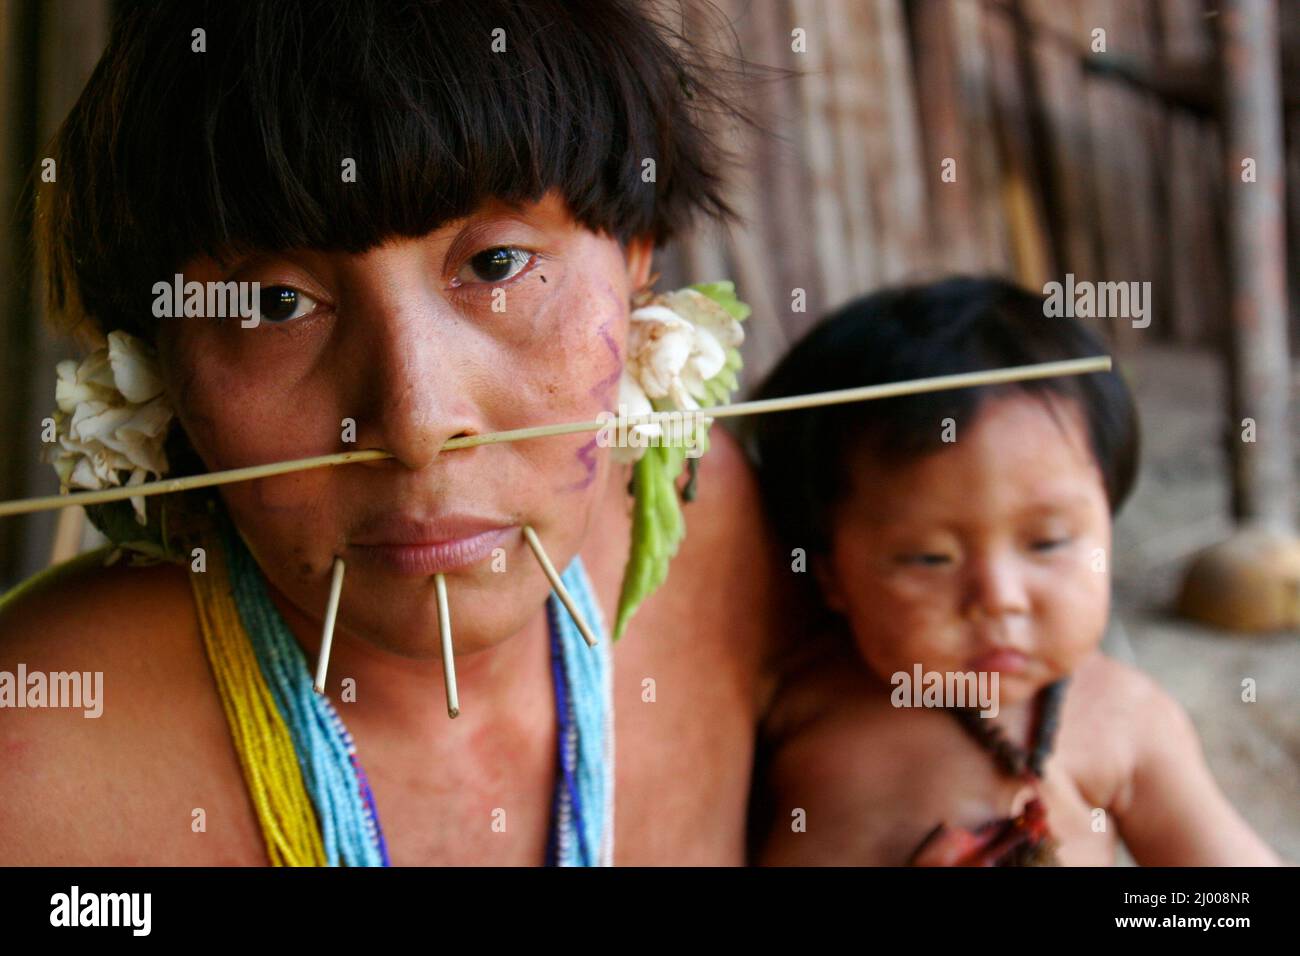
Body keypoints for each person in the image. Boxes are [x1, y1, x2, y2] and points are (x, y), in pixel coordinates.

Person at [0, 0, 785, 866]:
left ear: (637, 254)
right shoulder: (33, 771)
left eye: (496, 265)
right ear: (151, 361)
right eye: (276, 303)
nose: (415, 425)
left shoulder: (736, 550)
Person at [744, 276, 1282, 865]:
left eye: (1048, 542)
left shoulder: (1124, 720)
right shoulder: (797, 708)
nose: (999, 599)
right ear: (829, 576)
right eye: (928, 557)